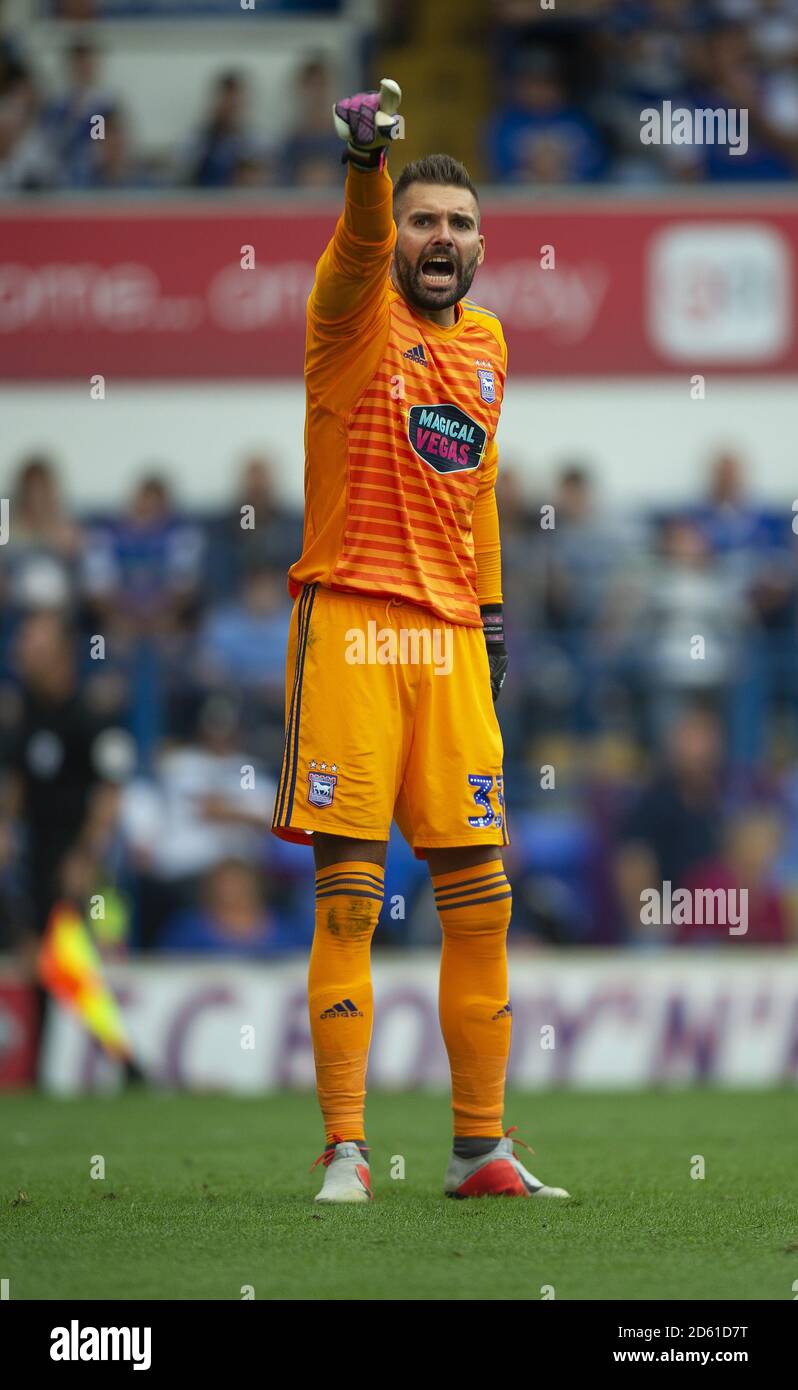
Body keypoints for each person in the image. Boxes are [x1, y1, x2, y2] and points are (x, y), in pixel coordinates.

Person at [271, 80, 568, 1203]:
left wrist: (491, 620)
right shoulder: (350, 312)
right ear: (398, 231)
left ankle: (479, 1148)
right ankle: (347, 1148)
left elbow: (480, 491)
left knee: (482, 898)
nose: (438, 240)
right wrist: (366, 158)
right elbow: (355, 241)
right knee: (350, 895)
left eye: (459, 225)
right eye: (423, 222)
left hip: (449, 645)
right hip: (348, 621)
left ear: (483, 245)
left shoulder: (489, 344)